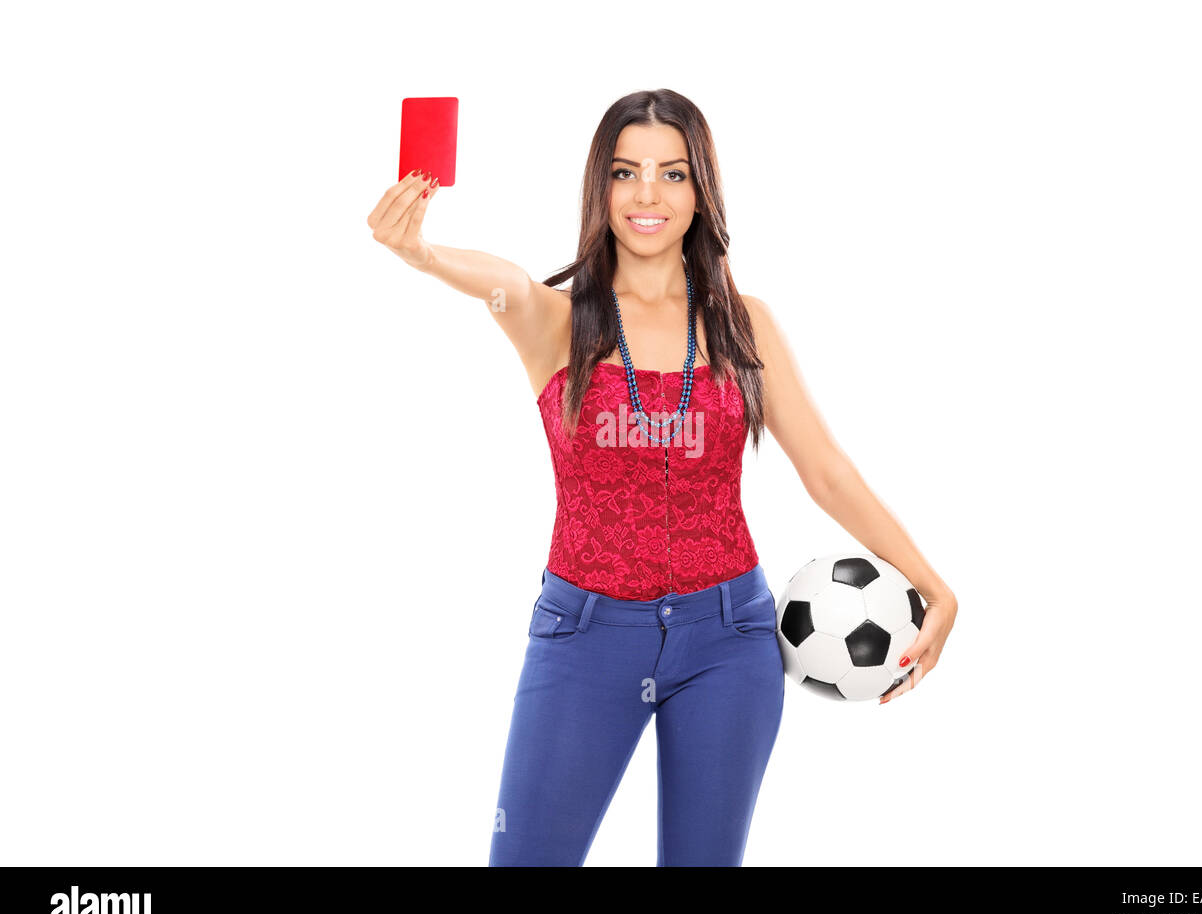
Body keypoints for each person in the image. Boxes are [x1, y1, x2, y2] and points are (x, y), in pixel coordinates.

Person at [366, 89, 958, 866]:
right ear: (600, 188)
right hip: (584, 638)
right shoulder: (554, 317)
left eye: (672, 174)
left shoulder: (746, 325)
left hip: (730, 639)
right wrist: (423, 253)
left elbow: (826, 470)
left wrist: (933, 585)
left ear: (700, 191)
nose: (647, 195)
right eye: (626, 172)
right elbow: (498, 277)